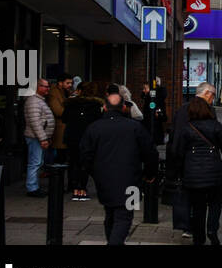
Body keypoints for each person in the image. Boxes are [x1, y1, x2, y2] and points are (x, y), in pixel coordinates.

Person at [79, 86, 158, 245]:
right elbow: (150, 153)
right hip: (133, 180)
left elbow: (84, 156)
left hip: (104, 180)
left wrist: (90, 175)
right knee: (125, 217)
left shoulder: (94, 128)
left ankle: (114, 241)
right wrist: (150, 175)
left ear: (104, 107)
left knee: (110, 213)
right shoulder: (135, 127)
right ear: (124, 107)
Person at [171, 95, 222, 245]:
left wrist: (178, 173)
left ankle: (199, 238)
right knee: (216, 203)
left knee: (198, 208)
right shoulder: (216, 126)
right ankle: (212, 229)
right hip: (214, 174)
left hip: (193, 176)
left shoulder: (186, 129)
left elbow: (178, 153)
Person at [168, 83, 218, 237]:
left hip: (184, 159)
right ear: (207, 93)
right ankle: (198, 229)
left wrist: (174, 161)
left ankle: (188, 227)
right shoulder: (210, 111)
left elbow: (174, 137)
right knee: (201, 198)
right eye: (213, 95)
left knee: (188, 194)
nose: (214, 99)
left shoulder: (181, 110)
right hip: (201, 161)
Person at [62, 81, 104, 200]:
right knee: (85, 163)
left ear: (79, 91)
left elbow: (64, 118)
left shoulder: (71, 104)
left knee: (73, 162)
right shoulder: (96, 105)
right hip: (89, 138)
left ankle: (73, 185)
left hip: (73, 137)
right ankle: (82, 186)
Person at [22, 78, 54, 198]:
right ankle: (32, 188)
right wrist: (43, 138)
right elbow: (35, 122)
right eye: (45, 86)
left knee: (37, 162)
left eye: (48, 86)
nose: (48, 89)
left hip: (38, 136)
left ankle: (34, 186)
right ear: (37, 87)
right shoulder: (33, 101)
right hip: (35, 137)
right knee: (35, 163)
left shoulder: (38, 100)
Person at [47, 75, 72, 165]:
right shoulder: (54, 93)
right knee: (59, 154)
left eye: (71, 83)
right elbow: (57, 111)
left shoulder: (66, 92)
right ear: (60, 83)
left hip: (64, 126)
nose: (70, 85)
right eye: (67, 83)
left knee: (62, 154)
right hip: (59, 126)